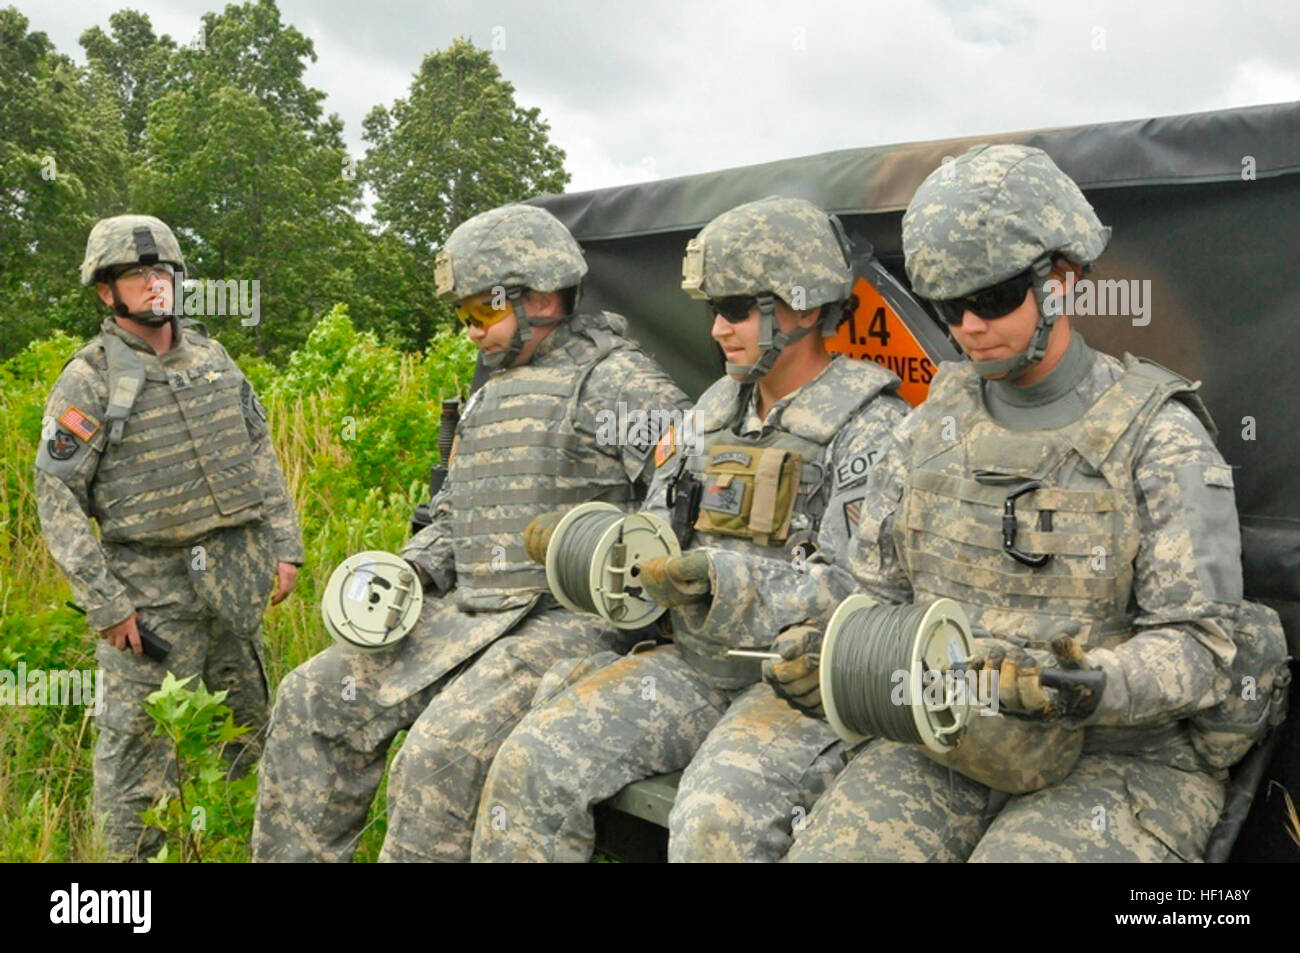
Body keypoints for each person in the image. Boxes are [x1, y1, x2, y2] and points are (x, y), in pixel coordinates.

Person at [766, 144, 1277, 862]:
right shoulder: (925, 430)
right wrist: (821, 653)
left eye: (994, 298)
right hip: (950, 734)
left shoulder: (1161, 437)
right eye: (950, 306)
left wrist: (1088, 684)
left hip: (1116, 756)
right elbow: (872, 593)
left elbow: (1203, 648)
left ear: (1062, 281)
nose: (970, 326)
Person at [471, 196, 909, 862]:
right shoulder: (711, 413)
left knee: (714, 826)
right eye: (714, 310)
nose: (720, 329)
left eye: (738, 308)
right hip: (693, 663)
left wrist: (725, 579)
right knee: (533, 763)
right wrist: (594, 546)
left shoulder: (872, 428)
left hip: (793, 684)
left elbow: (867, 596)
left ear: (808, 306)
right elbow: (657, 531)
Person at [251, 203, 689, 862]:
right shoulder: (490, 392)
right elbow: (456, 512)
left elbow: (687, 486)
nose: (471, 332)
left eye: (482, 313)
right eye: (463, 318)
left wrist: (633, 564)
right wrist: (416, 568)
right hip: (466, 612)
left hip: (566, 623)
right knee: (312, 699)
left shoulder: (615, 379)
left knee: (438, 754)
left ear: (541, 297)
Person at [35, 214, 303, 859]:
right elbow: (57, 495)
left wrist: (285, 546)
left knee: (247, 739)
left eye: (163, 272)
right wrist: (107, 603)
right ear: (107, 291)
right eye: (137, 275)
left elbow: (258, 450)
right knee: (138, 760)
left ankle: (236, 847)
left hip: (236, 586)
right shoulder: (90, 377)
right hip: (149, 602)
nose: (154, 285)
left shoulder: (213, 359)